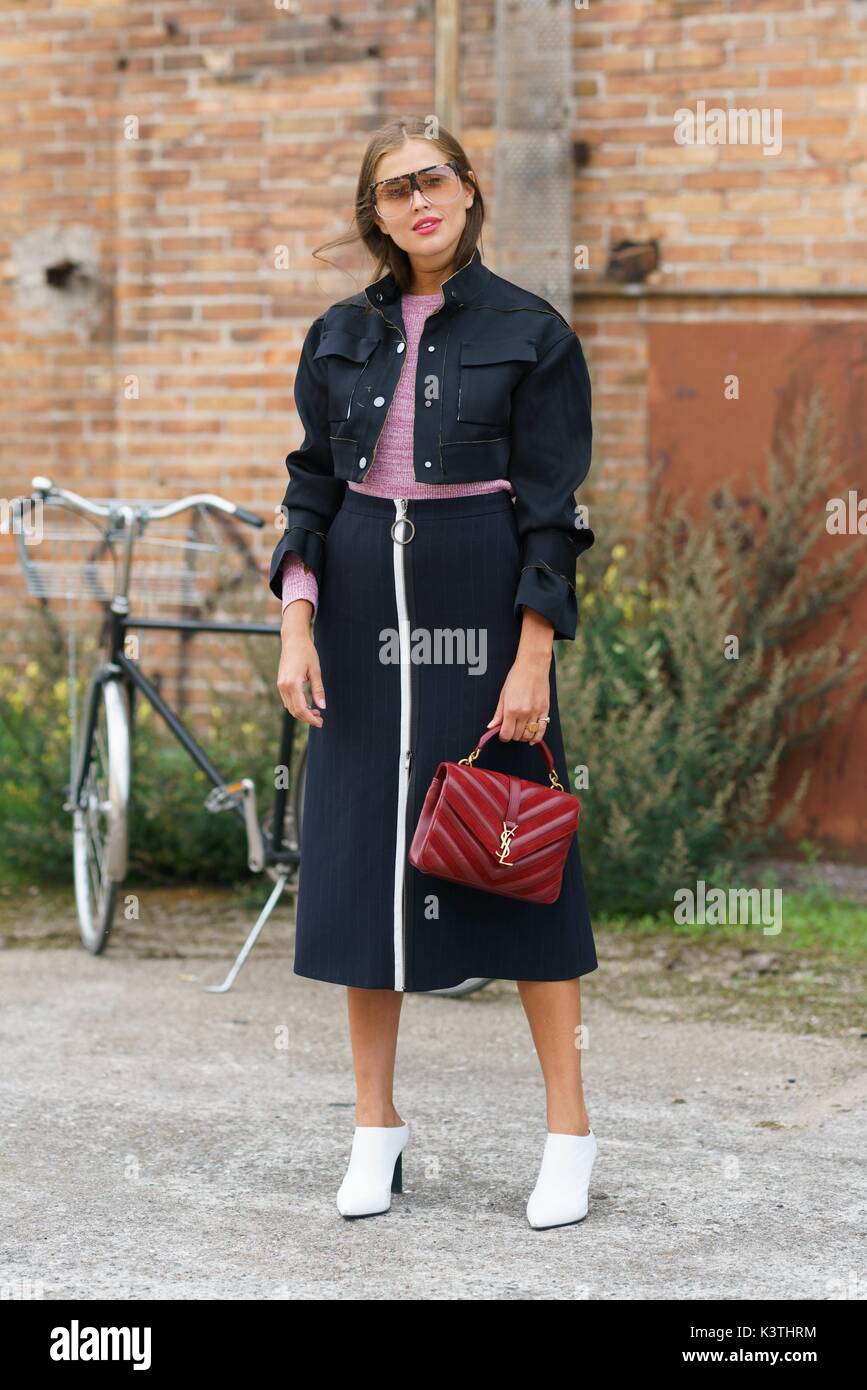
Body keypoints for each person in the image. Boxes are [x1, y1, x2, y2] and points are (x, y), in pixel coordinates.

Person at [268, 117, 598, 1229]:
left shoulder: (532, 330)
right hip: (359, 608)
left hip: (478, 595)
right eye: (393, 188)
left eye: (433, 179)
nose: (417, 201)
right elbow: (310, 486)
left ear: (467, 189)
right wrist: (296, 623)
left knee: (521, 852)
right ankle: (375, 1127)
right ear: (375, 212)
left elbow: (554, 515)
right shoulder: (336, 334)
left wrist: (533, 651)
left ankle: (568, 1133)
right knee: (364, 865)